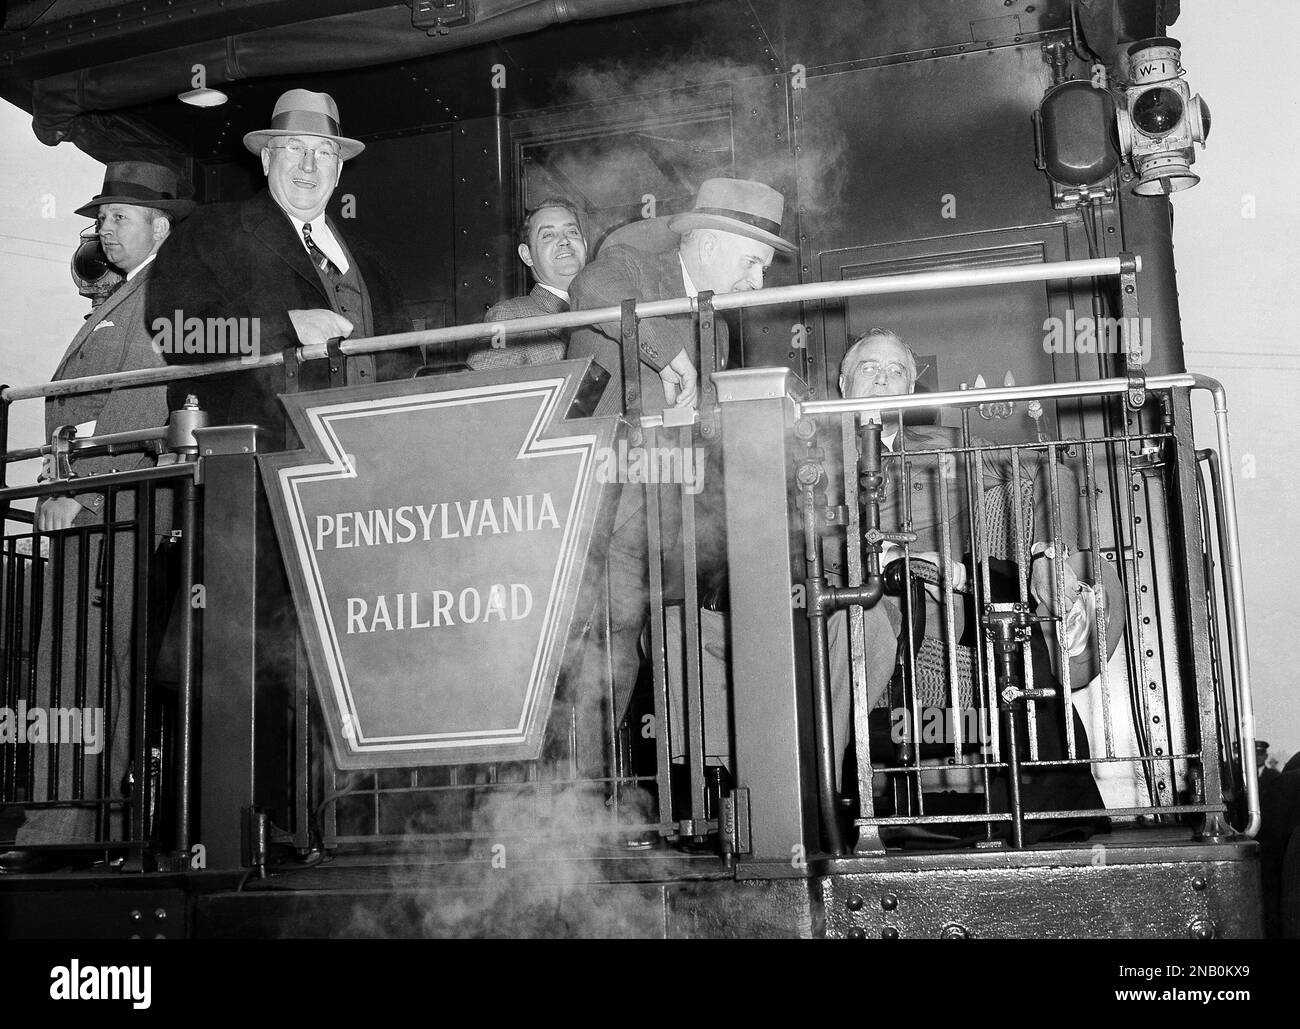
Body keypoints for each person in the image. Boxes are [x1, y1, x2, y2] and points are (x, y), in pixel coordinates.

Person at [829, 328, 1121, 836]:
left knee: (1009, 610)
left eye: (896, 370)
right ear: (842, 381)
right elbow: (785, 537)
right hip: (851, 590)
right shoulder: (807, 454)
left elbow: (1052, 473)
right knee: (866, 617)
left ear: (911, 390)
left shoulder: (946, 445)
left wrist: (1051, 557)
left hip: (940, 603)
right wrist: (890, 554)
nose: (883, 377)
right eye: (870, 368)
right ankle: (822, 797)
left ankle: (1052, 806)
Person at [563, 178, 795, 770]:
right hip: (577, 497)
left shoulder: (714, 326)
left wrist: (773, 415)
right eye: (753, 262)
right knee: (565, 646)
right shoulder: (637, 264)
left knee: (617, 645)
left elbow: (706, 423)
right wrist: (668, 351)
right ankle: (543, 789)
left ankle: (587, 792)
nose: (758, 281)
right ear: (711, 242)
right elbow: (592, 287)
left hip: (638, 506)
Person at [13, 162, 194, 847]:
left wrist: (77, 490)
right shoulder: (128, 294)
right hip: (102, 503)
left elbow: (143, 395)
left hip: (112, 505)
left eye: (117, 216)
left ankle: (74, 822)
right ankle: (77, 818)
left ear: (159, 225)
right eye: (102, 217)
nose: (104, 229)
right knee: (84, 663)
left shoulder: (162, 290)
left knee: (92, 663)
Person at [146, 88, 421, 449]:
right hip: (257, 467)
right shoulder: (208, 231)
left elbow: (405, 361)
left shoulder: (370, 259)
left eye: (323, 153)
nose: (309, 165)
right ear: (265, 160)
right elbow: (178, 333)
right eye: (294, 148)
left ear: (338, 170)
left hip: (368, 462)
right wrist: (285, 326)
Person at [468, 198, 588, 370]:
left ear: (584, 245)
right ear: (526, 255)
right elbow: (484, 392)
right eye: (548, 235)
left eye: (572, 232)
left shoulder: (605, 307)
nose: (564, 240)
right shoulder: (510, 317)